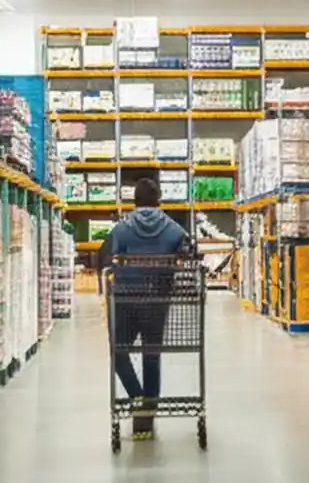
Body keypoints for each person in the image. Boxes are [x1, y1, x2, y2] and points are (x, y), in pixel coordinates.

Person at [104, 177, 187, 439]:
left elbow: (107, 258)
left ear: (135, 201)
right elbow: (186, 251)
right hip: (157, 301)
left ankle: (137, 398)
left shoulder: (121, 229)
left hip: (126, 300)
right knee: (152, 355)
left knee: (119, 352)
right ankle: (148, 413)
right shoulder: (173, 229)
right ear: (158, 200)